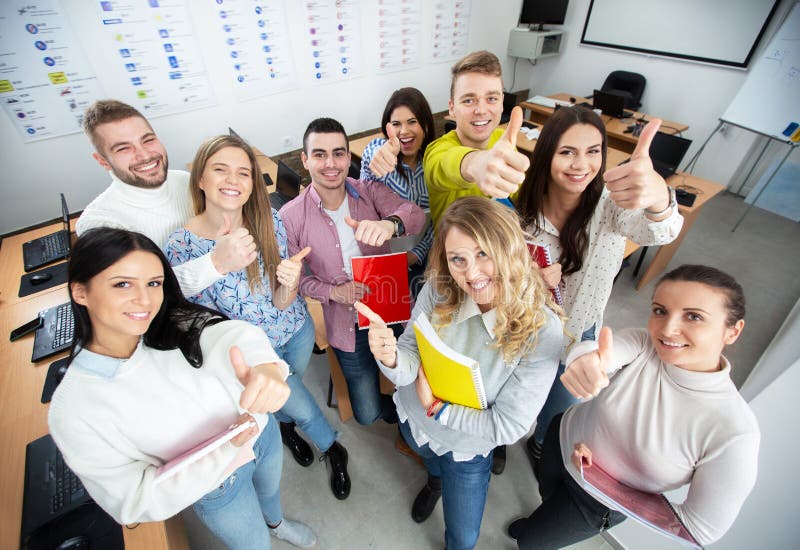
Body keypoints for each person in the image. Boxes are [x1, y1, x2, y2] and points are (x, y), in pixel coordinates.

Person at [48, 228, 316, 550]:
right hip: (217, 485)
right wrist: (226, 449)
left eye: (154, 283)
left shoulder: (169, 323)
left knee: (271, 492)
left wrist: (265, 367)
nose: (145, 300)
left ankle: (277, 523)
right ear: (80, 292)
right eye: (122, 284)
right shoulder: (75, 409)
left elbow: (230, 335)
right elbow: (133, 499)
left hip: (262, 433)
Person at [356, 196, 564, 550]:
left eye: (483, 253)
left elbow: (508, 426)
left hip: (466, 447)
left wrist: (438, 409)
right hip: (416, 420)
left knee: (463, 537)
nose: (472, 273)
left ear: (509, 246)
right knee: (431, 463)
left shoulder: (543, 329)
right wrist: (389, 356)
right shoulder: (438, 287)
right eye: (458, 259)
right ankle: (435, 482)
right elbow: (409, 354)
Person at [508, 264, 760, 549]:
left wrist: (602, 482)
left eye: (693, 317)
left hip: (595, 502)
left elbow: (700, 528)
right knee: (548, 497)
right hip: (561, 438)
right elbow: (598, 354)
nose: (667, 329)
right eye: (660, 311)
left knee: (533, 542)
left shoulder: (734, 432)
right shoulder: (644, 342)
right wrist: (585, 360)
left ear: (733, 331)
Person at [164, 134, 351, 500]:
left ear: (253, 183)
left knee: (284, 394)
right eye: (221, 170)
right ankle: (333, 447)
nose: (233, 181)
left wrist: (290, 283)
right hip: (250, 356)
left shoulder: (269, 222)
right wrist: (216, 262)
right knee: (303, 406)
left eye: (243, 173)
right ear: (200, 179)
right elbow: (176, 311)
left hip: (293, 331)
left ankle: (287, 429)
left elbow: (282, 302)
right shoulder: (179, 247)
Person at [514, 105, 684, 470]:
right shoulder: (523, 205)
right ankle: (500, 442)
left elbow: (660, 230)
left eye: (593, 152)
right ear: (547, 154)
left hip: (580, 327)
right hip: (526, 325)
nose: (582, 165)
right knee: (513, 392)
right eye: (568, 152)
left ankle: (542, 443)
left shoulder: (611, 203)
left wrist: (657, 196)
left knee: (561, 407)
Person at [280, 117, 425, 425]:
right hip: (345, 320)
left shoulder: (368, 190)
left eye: (338, 153)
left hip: (389, 304)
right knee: (367, 413)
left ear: (349, 157)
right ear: (304, 160)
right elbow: (298, 280)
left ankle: (413, 421)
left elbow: (414, 217)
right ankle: (399, 413)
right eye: (319, 154)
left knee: (414, 380)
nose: (330, 163)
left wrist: (390, 223)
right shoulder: (290, 217)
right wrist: (334, 292)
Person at [76, 99, 254, 296]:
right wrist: (216, 263)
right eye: (123, 148)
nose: (144, 155)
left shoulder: (185, 181)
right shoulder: (99, 223)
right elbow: (136, 294)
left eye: (148, 140)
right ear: (102, 161)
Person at [423, 50, 530, 231]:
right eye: (469, 100)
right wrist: (478, 164)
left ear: (502, 102)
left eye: (491, 98)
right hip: (451, 256)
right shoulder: (436, 151)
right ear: (451, 108)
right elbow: (448, 164)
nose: (481, 109)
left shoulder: (504, 141)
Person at [359, 87, 436, 298]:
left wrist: (415, 255)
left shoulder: (434, 163)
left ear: (426, 125)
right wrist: (381, 153)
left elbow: (438, 219)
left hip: (422, 258)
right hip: (380, 259)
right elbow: (371, 158)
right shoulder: (379, 154)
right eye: (396, 124)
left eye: (412, 122)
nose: (404, 131)